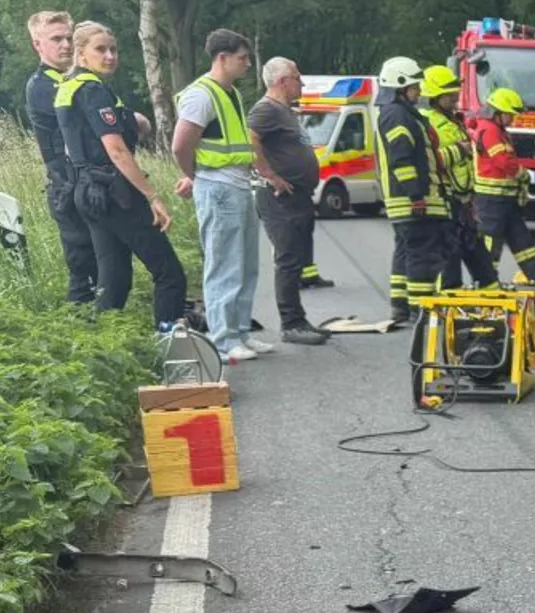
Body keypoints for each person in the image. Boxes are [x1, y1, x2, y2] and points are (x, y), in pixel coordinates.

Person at [54, 22, 188, 329]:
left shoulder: (67, 87)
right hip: (115, 192)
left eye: (113, 49)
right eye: (100, 49)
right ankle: (172, 350)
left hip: (86, 190)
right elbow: (115, 150)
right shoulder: (93, 91)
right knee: (169, 273)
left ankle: (102, 351)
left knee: (114, 279)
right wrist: (152, 195)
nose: (110, 56)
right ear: (81, 53)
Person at [172, 29, 263, 362]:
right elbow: (181, 145)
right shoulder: (202, 95)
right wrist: (193, 175)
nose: (248, 64)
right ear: (221, 58)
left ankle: (239, 332)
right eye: (242, 58)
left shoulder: (231, 94)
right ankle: (223, 340)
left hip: (237, 185)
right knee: (224, 264)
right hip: (219, 187)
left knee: (245, 265)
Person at [246, 57, 329, 345]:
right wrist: (269, 174)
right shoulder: (266, 110)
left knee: (297, 258)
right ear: (282, 81)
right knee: (288, 259)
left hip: (299, 196)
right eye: (297, 77)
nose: (302, 82)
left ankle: (299, 319)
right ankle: (291, 324)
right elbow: (249, 139)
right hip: (281, 198)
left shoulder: (284, 111)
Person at [22, 11, 101, 305]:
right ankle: (81, 335)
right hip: (67, 188)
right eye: (57, 39)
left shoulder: (73, 78)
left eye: (69, 38)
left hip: (87, 184)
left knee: (105, 267)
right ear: (37, 45)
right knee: (84, 272)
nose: (66, 45)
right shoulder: (43, 85)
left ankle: (105, 332)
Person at [372, 56, 451, 325]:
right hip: (410, 198)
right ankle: (420, 308)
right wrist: (416, 195)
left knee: (405, 251)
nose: (418, 91)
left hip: (401, 198)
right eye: (415, 87)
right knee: (422, 253)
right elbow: (402, 159)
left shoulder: (396, 113)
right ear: (401, 87)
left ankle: (401, 305)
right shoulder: (398, 115)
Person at [419, 64, 500, 290]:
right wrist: (459, 150)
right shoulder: (429, 123)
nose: (456, 98)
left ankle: (490, 291)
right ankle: (452, 301)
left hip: (462, 198)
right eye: (450, 95)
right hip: (446, 197)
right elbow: (431, 161)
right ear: (435, 96)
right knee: (450, 254)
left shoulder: (452, 119)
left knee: (475, 249)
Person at [468, 87, 535, 285]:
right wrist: (523, 173)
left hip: (504, 197)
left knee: (520, 236)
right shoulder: (490, 131)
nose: (514, 119)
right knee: (491, 241)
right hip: (491, 199)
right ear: (498, 113)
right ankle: (486, 279)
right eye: (511, 115)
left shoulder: (497, 130)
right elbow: (503, 162)